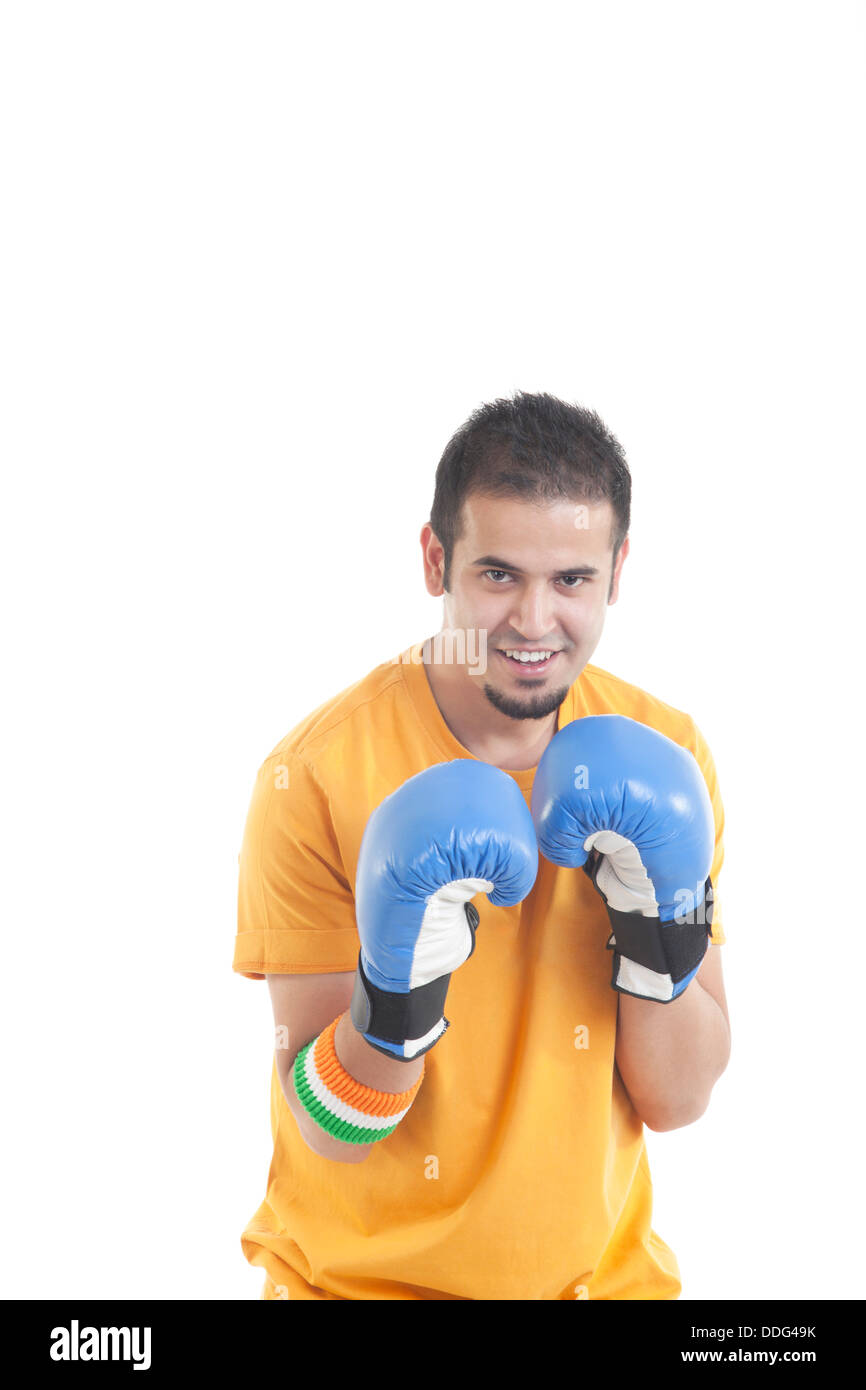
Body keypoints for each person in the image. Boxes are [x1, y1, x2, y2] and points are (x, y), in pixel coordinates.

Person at [232, 391, 730, 1301]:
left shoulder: (668, 755)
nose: (535, 622)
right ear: (436, 561)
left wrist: (655, 927)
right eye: (498, 575)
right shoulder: (318, 774)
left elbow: (679, 1099)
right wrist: (400, 991)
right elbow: (332, 1130)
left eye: (572, 579)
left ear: (618, 570)